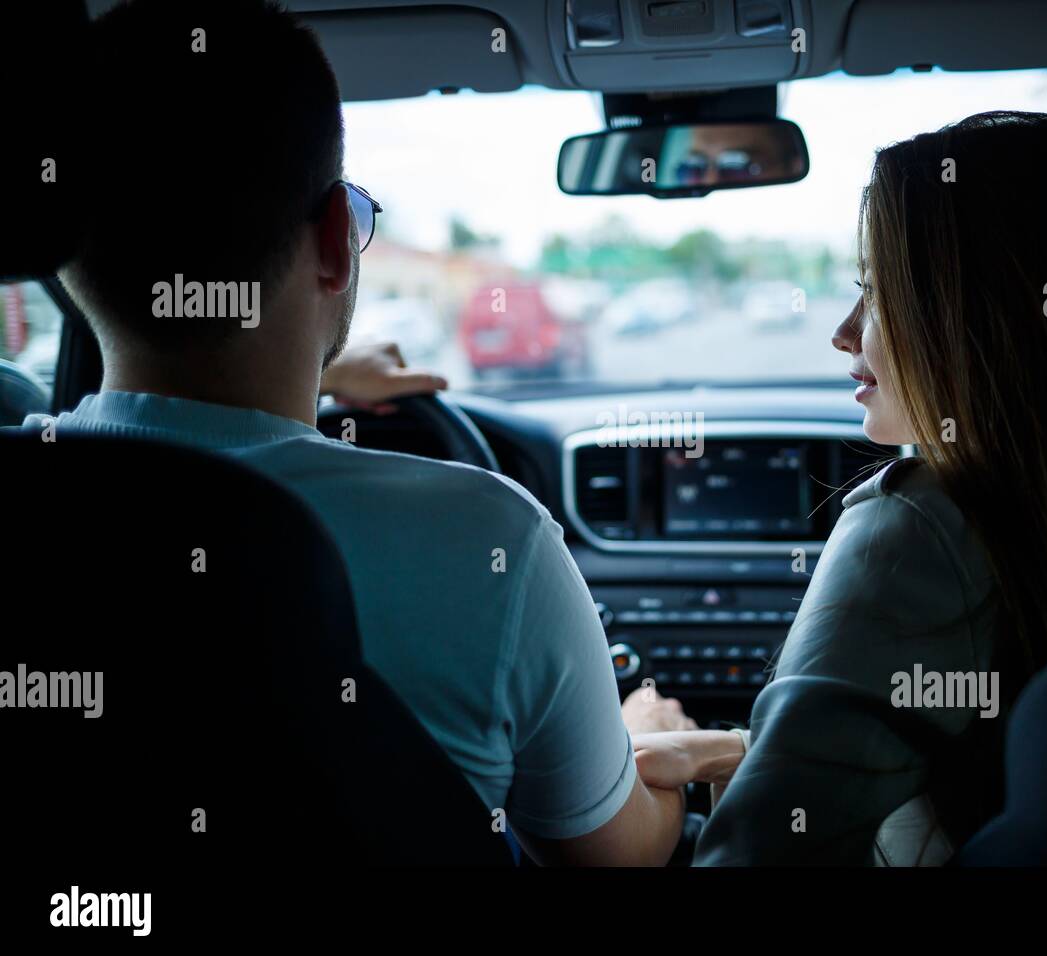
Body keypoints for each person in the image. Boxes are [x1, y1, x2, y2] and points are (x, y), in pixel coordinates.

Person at [12, 0, 694, 866]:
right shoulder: (487, 538)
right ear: (339, 239)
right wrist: (648, 752)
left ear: (67, 260)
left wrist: (313, 372)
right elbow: (613, 859)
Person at [632, 111, 1047, 865]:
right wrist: (740, 749)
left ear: (977, 315)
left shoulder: (919, 522)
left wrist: (640, 757)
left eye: (878, 288)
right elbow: (1035, 754)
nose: (844, 329)